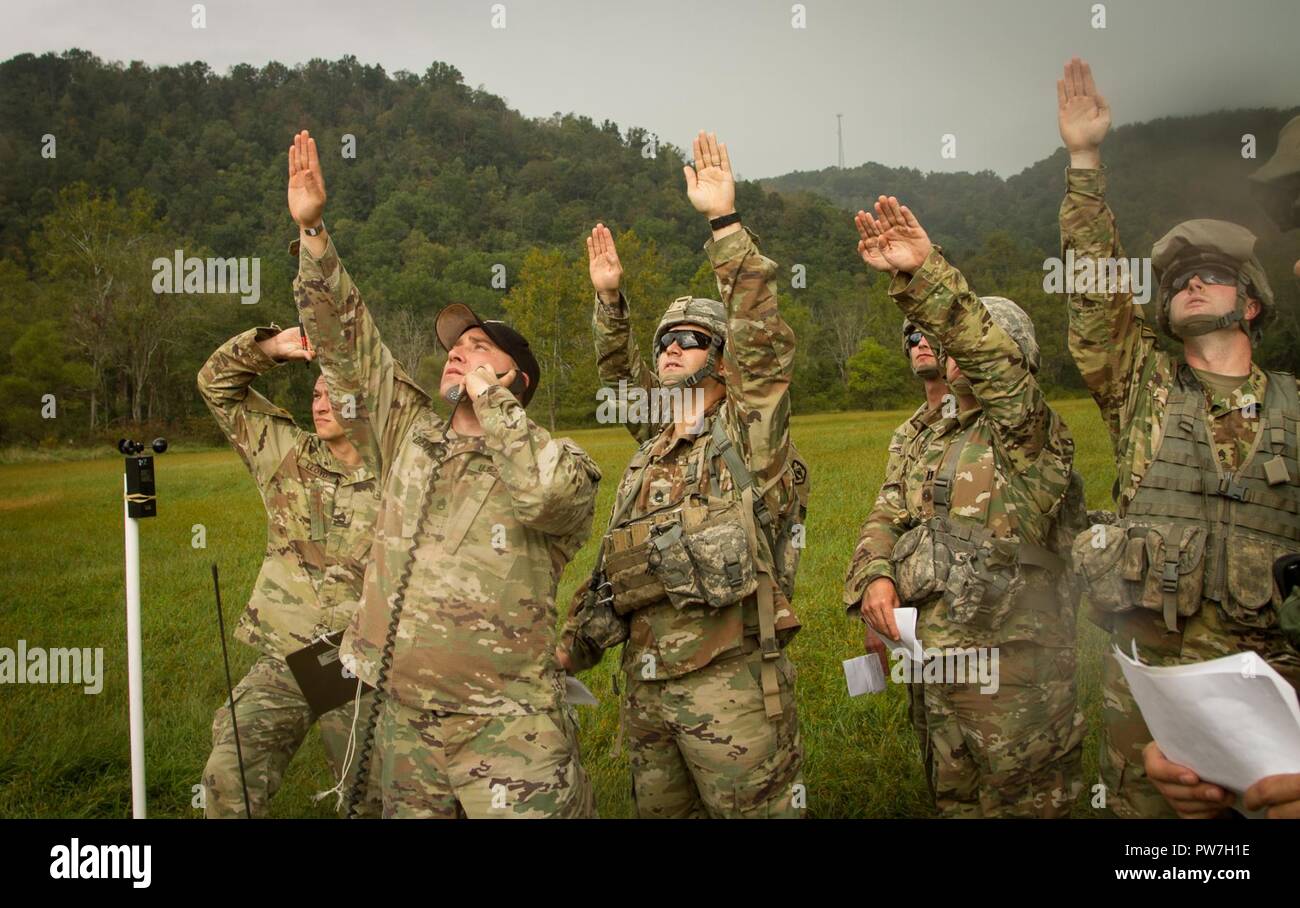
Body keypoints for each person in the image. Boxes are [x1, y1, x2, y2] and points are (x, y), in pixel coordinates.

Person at [288, 129, 602, 818]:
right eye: (453, 349)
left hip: (508, 725)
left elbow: (544, 497)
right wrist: (314, 237)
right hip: (401, 723)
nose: (457, 355)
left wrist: (488, 397)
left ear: (518, 378)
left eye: (478, 347)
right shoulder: (408, 435)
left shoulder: (563, 460)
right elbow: (350, 345)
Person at [1057, 57, 1300, 818]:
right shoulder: (1142, 389)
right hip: (1152, 713)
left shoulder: (1296, 404)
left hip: (1280, 707)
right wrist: (1084, 162)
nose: (1192, 281)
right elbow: (1096, 303)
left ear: (1252, 304)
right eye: (1179, 277)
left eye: (1213, 273)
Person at [559, 131, 809, 818]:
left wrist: (724, 225)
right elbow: (616, 380)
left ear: (723, 359)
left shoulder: (747, 433)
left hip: (729, 690)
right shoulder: (656, 440)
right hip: (647, 690)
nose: (671, 349)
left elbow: (762, 338)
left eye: (690, 340)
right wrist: (610, 303)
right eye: (664, 341)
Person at [853, 195, 1085, 817]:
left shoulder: (1028, 431)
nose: (947, 351)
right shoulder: (934, 434)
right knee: (952, 802)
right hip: (935, 660)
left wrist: (924, 274)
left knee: (1023, 805)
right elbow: (887, 512)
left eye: (963, 341)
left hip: (1014, 669)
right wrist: (876, 575)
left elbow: (992, 363)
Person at [197, 328, 382, 817]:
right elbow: (216, 385)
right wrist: (271, 349)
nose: (320, 402)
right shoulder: (286, 456)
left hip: (364, 665)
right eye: (316, 392)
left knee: (369, 793)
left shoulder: (404, 475)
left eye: (334, 393)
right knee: (228, 767)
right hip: (288, 656)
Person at [843, 312, 950, 799]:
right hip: (921, 625)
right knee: (939, 755)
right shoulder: (909, 433)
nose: (919, 341)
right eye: (910, 335)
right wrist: (873, 585)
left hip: (993, 628)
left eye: (929, 332)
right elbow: (888, 514)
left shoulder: (997, 421)